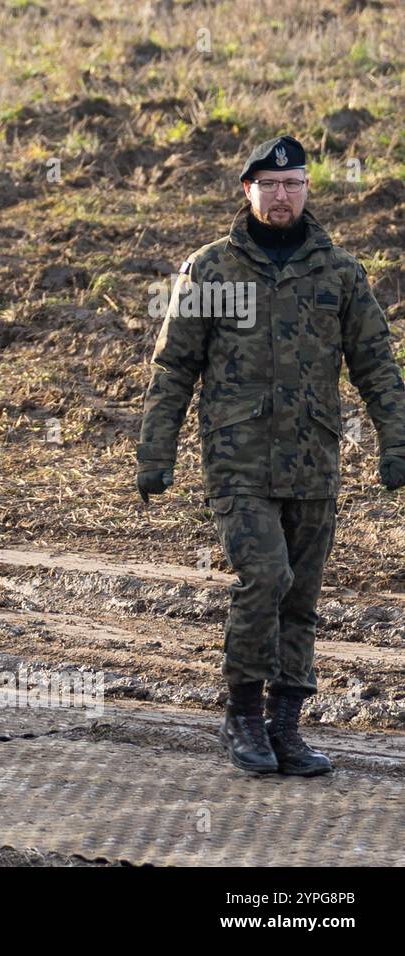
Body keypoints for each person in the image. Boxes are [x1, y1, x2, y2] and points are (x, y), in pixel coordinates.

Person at [138, 135, 405, 775]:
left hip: (314, 460)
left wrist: (395, 444)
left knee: (301, 598)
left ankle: (287, 729)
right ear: (247, 190)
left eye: (293, 184)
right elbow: (174, 367)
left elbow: (378, 368)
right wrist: (156, 451)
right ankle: (244, 719)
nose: (281, 195)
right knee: (266, 577)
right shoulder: (210, 271)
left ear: (308, 190)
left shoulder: (339, 273)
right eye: (269, 184)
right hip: (238, 460)